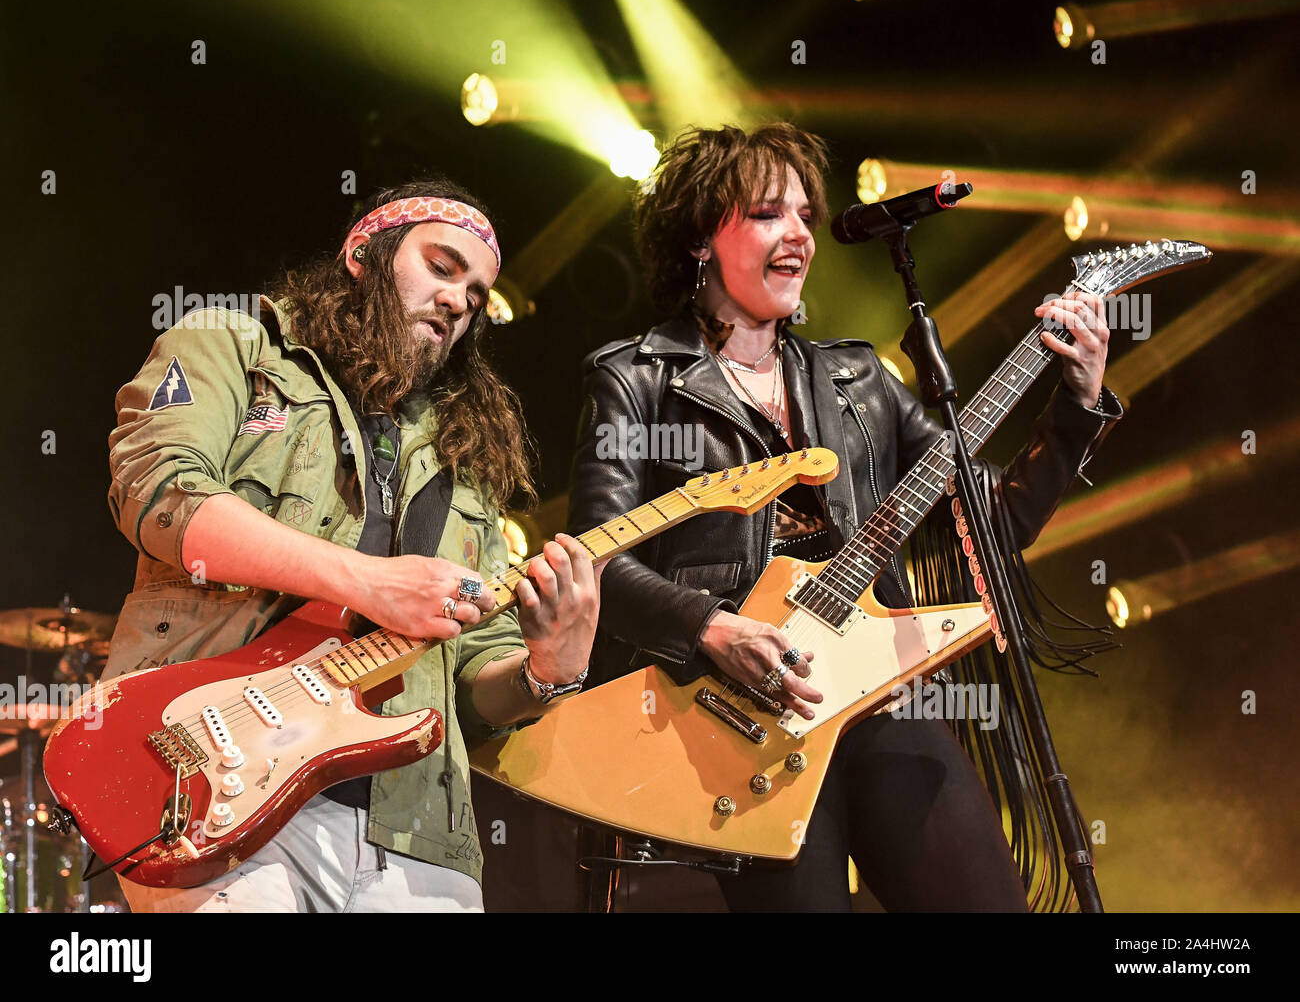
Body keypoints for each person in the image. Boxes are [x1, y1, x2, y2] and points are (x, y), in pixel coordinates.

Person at [568, 124, 1122, 912]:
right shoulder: (636, 379)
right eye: (767, 213)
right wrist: (713, 630)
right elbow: (596, 561)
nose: (797, 232)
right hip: (738, 717)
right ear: (699, 239)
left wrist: (1077, 404)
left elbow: (995, 521)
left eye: (804, 213)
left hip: (875, 696)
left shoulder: (858, 378)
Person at [103, 178, 602, 913]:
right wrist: (363, 582)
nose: (458, 302)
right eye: (441, 267)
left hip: (421, 835)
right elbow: (157, 490)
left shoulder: (469, 452)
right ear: (364, 254)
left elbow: (474, 681)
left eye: (475, 293)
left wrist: (547, 671)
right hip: (215, 777)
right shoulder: (231, 341)